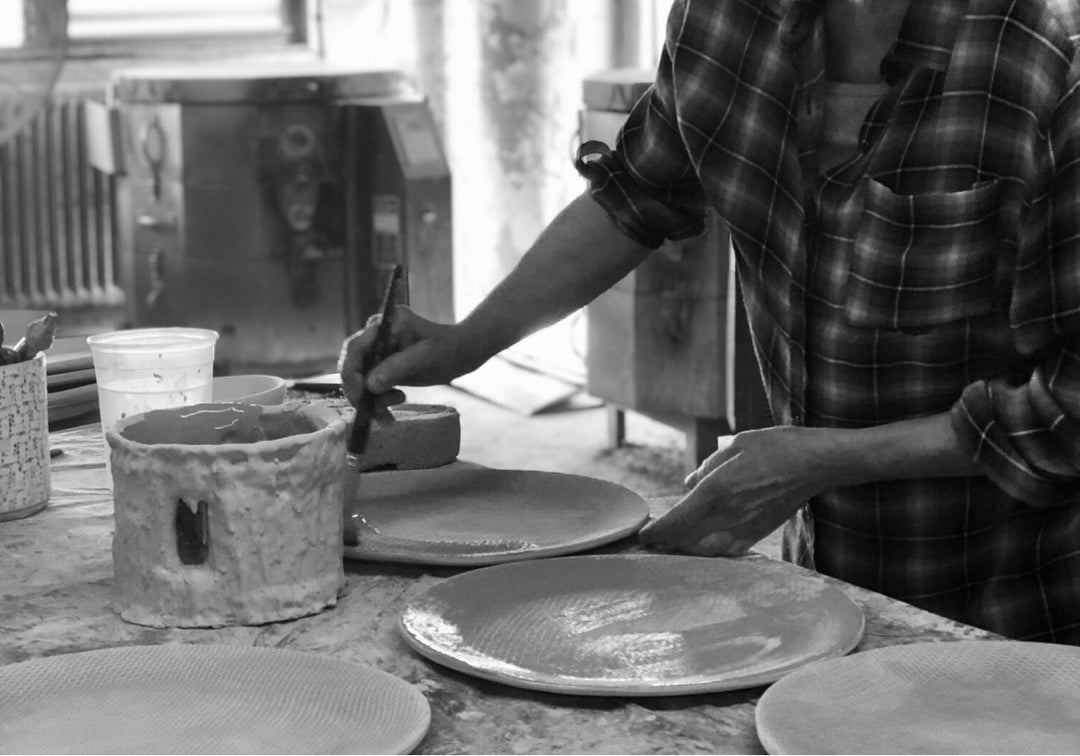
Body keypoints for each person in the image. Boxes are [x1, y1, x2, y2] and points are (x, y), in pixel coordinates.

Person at [340, 0, 1080, 644]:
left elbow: (1069, 410)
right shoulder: (728, 17)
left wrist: (825, 459)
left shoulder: (1045, 64)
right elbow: (636, 196)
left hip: (1015, 608)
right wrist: (468, 340)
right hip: (829, 590)